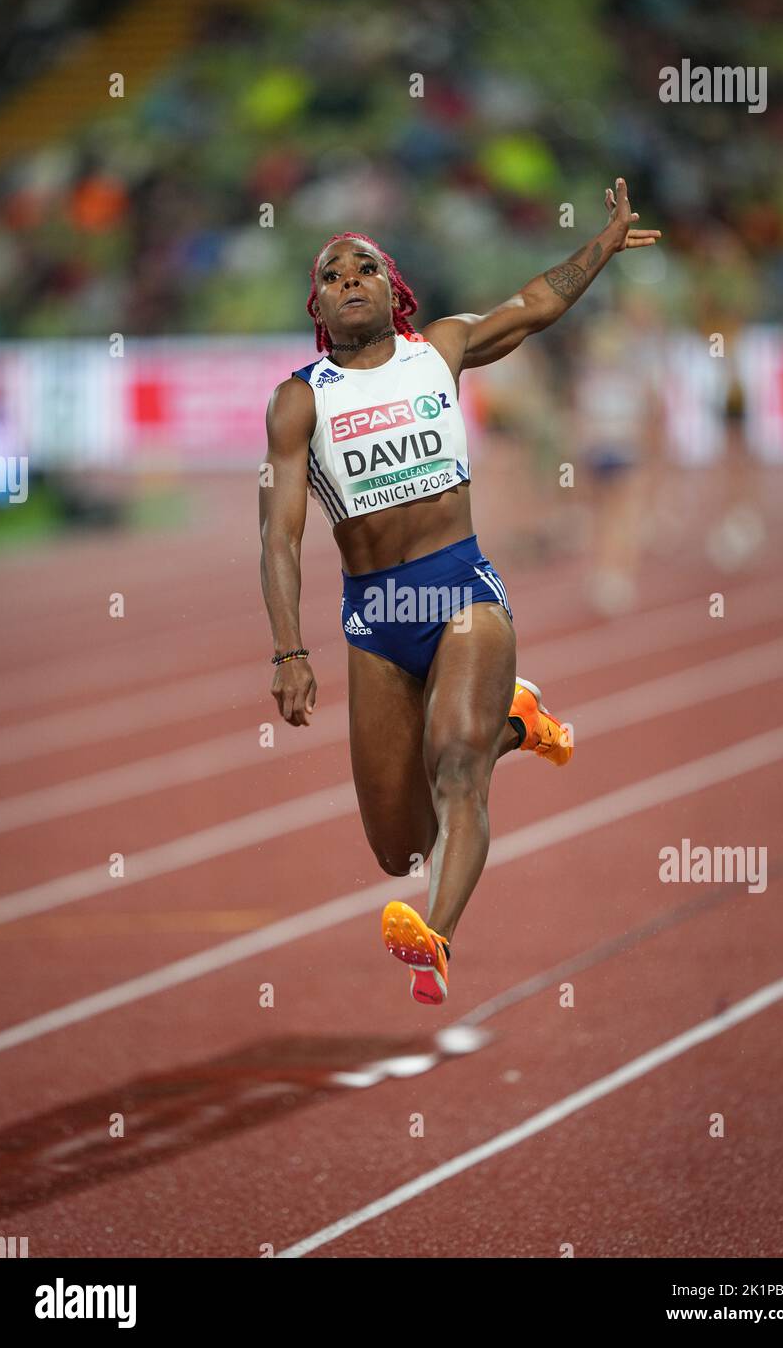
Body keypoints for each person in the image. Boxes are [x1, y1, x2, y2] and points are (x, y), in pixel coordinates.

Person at [259, 178, 660, 1004]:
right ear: (318, 308)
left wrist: (603, 245)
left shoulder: (436, 350)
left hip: (459, 589)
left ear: (393, 289)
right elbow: (279, 533)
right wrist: (290, 649)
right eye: (331, 276)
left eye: (363, 267)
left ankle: (435, 937)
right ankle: (516, 720)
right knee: (397, 845)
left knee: (456, 768)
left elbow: (534, 305)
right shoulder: (299, 401)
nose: (348, 281)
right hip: (373, 617)